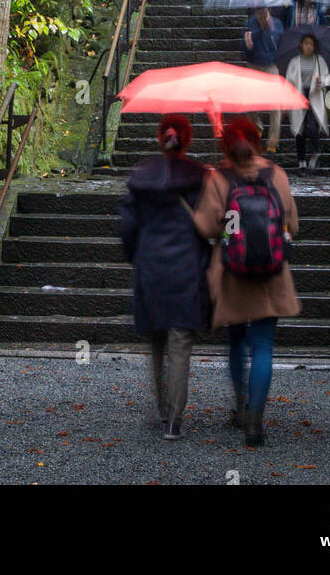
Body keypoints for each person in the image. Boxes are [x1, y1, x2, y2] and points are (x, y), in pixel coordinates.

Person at [191, 118, 300, 447]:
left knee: (237, 340)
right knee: (264, 344)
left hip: (233, 273)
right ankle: (256, 418)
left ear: (227, 146)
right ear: (257, 141)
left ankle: (240, 406)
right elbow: (291, 224)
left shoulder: (217, 178)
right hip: (271, 272)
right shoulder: (277, 175)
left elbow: (208, 228)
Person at [117, 114, 210, 440]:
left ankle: (161, 407)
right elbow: (210, 224)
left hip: (151, 266)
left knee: (156, 342)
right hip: (185, 266)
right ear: (188, 140)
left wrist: (136, 256)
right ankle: (174, 420)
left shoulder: (142, 176)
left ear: (160, 139)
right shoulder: (199, 177)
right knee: (180, 343)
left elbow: (127, 226)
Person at [284, 33, 330, 173]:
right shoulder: (294, 61)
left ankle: (316, 151)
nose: (308, 46)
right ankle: (302, 163)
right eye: (306, 43)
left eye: (311, 44)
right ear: (301, 45)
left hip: (314, 96)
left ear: (314, 46)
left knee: (312, 127)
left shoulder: (319, 60)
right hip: (299, 96)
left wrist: (320, 81)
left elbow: (328, 78)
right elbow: (288, 81)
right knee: (300, 131)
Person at [242, 6, 284, 152]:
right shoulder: (250, 23)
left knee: (275, 105)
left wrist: (267, 30)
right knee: (250, 101)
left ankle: (273, 141)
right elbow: (245, 49)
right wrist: (247, 45)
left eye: (264, 13)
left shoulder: (276, 24)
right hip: (254, 65)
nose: (261, 16)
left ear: (268, 11)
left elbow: (279, 44)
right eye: (258, 14)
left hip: (271, 65)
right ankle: (257, 129)